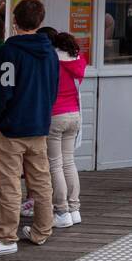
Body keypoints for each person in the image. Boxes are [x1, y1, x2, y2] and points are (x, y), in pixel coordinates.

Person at [0, 0, 59, 257]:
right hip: (39, 125)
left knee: (9, 184)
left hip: (12, 127)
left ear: (15, 20)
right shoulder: (50, 53)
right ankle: (42, 229)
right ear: (40, 21)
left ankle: (6, 237)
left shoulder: (9, 52)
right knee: (41, 181)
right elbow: (52, 90)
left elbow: (2, 91)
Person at [43, 28, 86, 227]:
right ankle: (74, 209)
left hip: (55, 116)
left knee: (55, 164)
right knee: (69, 162)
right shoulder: (78, 60)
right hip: (74, 115)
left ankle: (61, 211)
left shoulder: (51, 61)